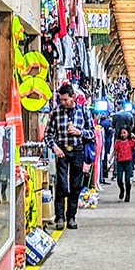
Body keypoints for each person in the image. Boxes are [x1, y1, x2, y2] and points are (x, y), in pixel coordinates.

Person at [44, 82, 95, 231]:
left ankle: (71, 216)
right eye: (61, 100)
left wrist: (80, 132)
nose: (63, 102)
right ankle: (60, 217)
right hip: (62, 152)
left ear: (73, 97)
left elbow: (91, 133)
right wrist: (54, 147)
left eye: (65, 99)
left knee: (75, 185)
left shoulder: (84, 112)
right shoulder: (55, 113)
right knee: (61, 185)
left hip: (78, 151)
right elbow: (48, 135)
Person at [113, 127, 135, 203]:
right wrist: (110, 159)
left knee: (128, 180)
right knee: (119, 179)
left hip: (128, 162)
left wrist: (134, 136)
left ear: (128, 133)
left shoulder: (130, 142)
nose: (123, 135)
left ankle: (128, 194)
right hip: (119, 162)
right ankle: (122, 189)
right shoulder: (117, 142)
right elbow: (115, 151)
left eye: (124, 133)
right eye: (121, 133)